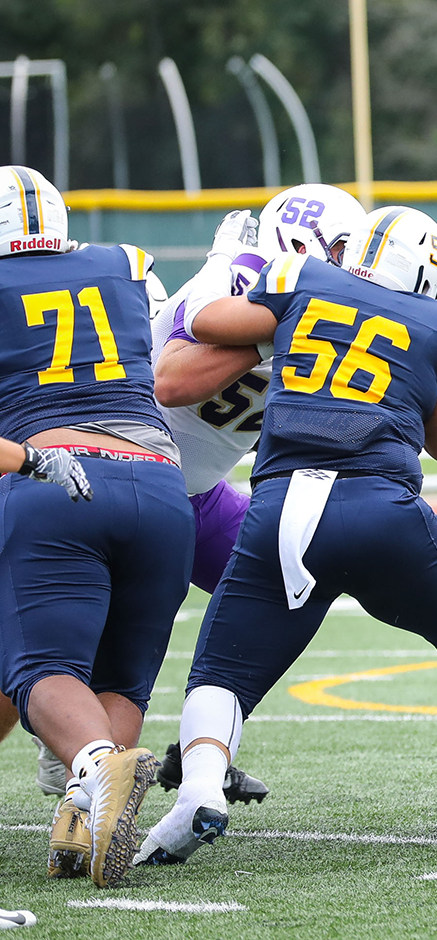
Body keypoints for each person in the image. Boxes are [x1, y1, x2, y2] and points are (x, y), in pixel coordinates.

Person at [136, 206, 437, 867]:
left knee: (222, 668)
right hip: (381, 507)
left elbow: (203, 321)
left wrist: (271, 307)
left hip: (282, 508)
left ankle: (200, 788)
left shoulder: (301, 279)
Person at [144, 184, 371, 807]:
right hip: (138, 484)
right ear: (301, 244)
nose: (353, 265)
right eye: (343, 249)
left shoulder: (315, 307)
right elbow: (171, 380)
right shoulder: (234, 281)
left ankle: (203, 745)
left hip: (197, 493)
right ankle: (84, 755)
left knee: (295, 586)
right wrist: (274, 336)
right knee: (107, 642)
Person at [0, 164, 195, 888]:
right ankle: (82, 822)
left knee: (42, 668)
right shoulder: (128, 266)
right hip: (159, 484)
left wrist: (28, 458)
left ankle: (94, 767)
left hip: (57, 483)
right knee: (122, 678)